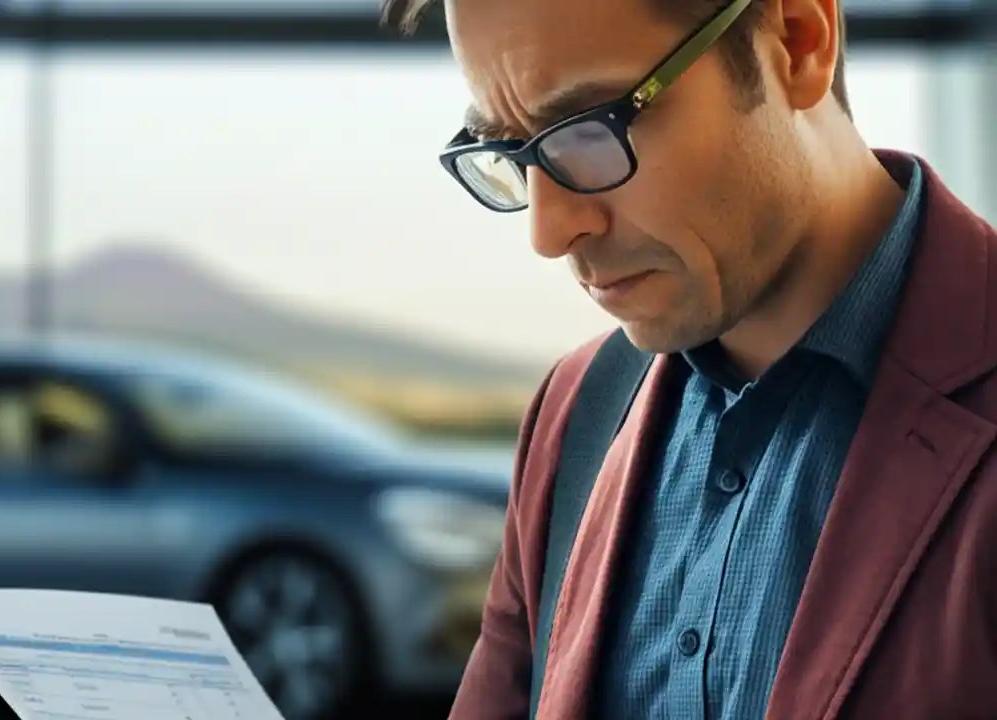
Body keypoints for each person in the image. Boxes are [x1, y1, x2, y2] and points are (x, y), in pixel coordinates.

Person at [380, 0, 997, 718]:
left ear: (798, 41)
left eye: (590, 130)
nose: (549, 231)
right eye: (510, 152)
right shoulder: (575, 411)